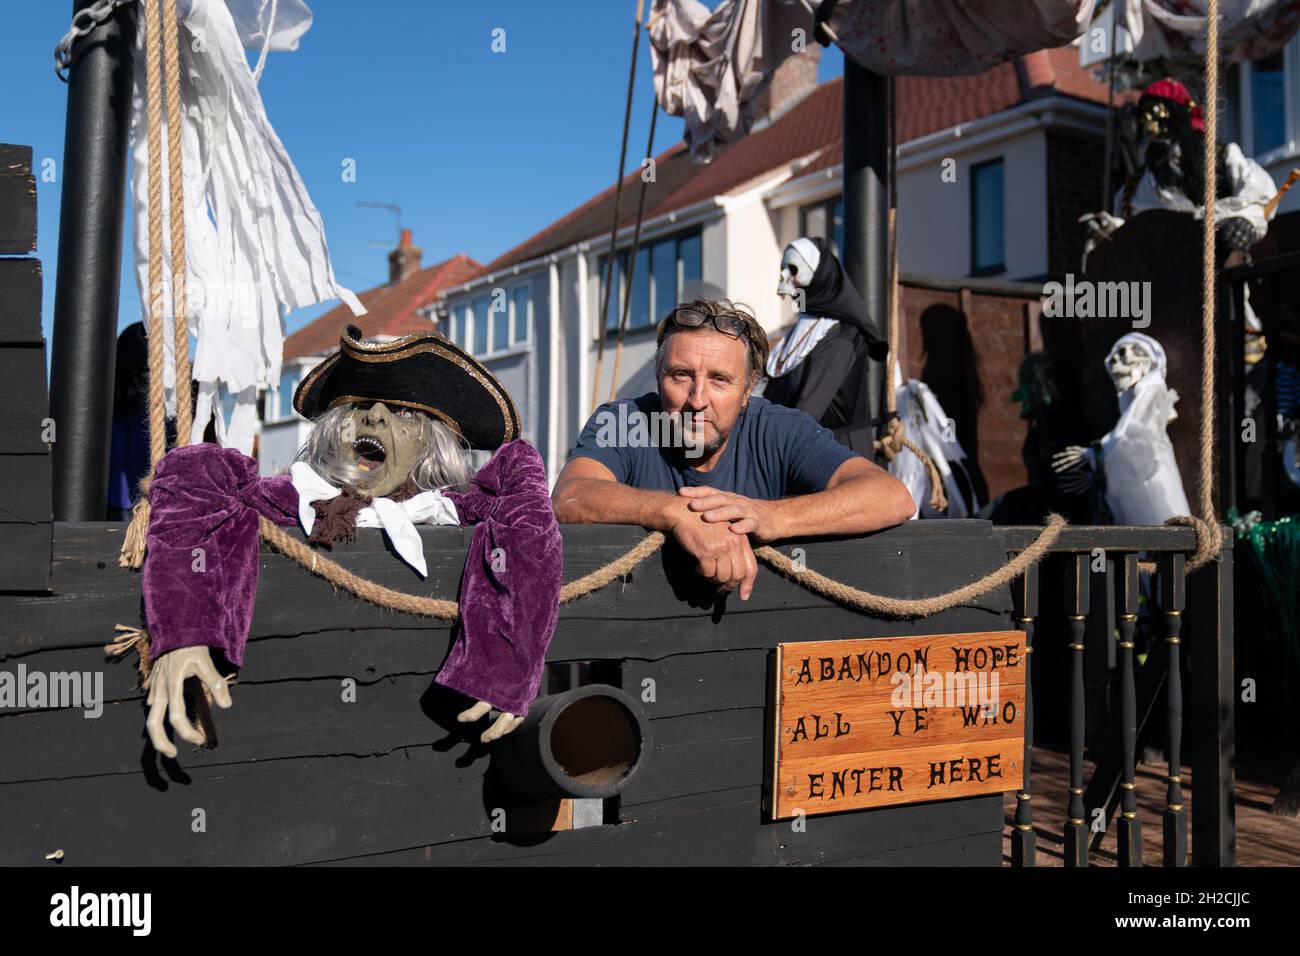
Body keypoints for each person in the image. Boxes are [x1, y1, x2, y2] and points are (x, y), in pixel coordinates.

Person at [552, 298, 915, 601]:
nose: (697, 400)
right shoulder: (625, 421)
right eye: (680, 375)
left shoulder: (781, 429)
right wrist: (676, 512)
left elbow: (892, 496)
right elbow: (568, 497)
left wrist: (769, 517)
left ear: (746, 392)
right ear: (658, 378)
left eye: (719, 380)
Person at [762, 237, 886, 455]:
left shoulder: (844, 334)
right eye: (782, 269)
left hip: (837, 459)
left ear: (820, 276)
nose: (783, 276)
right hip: (793, 452)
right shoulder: (793, 333)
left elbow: (808, 410)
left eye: (792, 269)